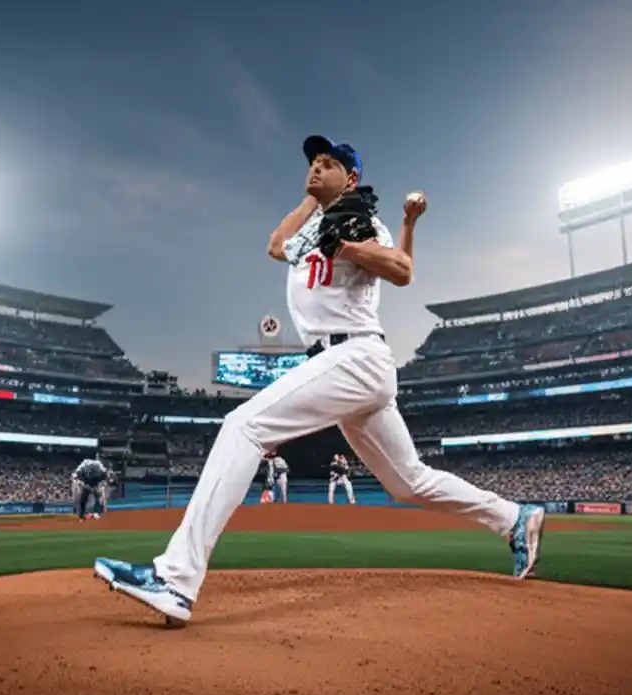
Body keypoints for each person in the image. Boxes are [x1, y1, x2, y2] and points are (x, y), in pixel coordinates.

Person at [93, 134, 546, 625]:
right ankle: (513, 518)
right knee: (409, 482)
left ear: (350, 178)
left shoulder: (362, 219)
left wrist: (351, 243)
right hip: (345, 364)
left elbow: (402, 271)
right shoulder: (311, 226)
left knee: (243, 426)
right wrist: (313, 198)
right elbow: (274, 246)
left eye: (327, 163)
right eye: (311, 162)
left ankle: (175, 580)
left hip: (354, 352)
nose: (315, 167)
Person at [72, 455, 108, 521]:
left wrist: (101, 485)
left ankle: (96, 513)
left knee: (98, 498)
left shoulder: (98, 464)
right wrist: (80, 482)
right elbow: (75, 474)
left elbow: (105, 474)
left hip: (96, 482)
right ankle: (82, 516)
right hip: (87, 483)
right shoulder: (84, 463)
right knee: (83, 499)